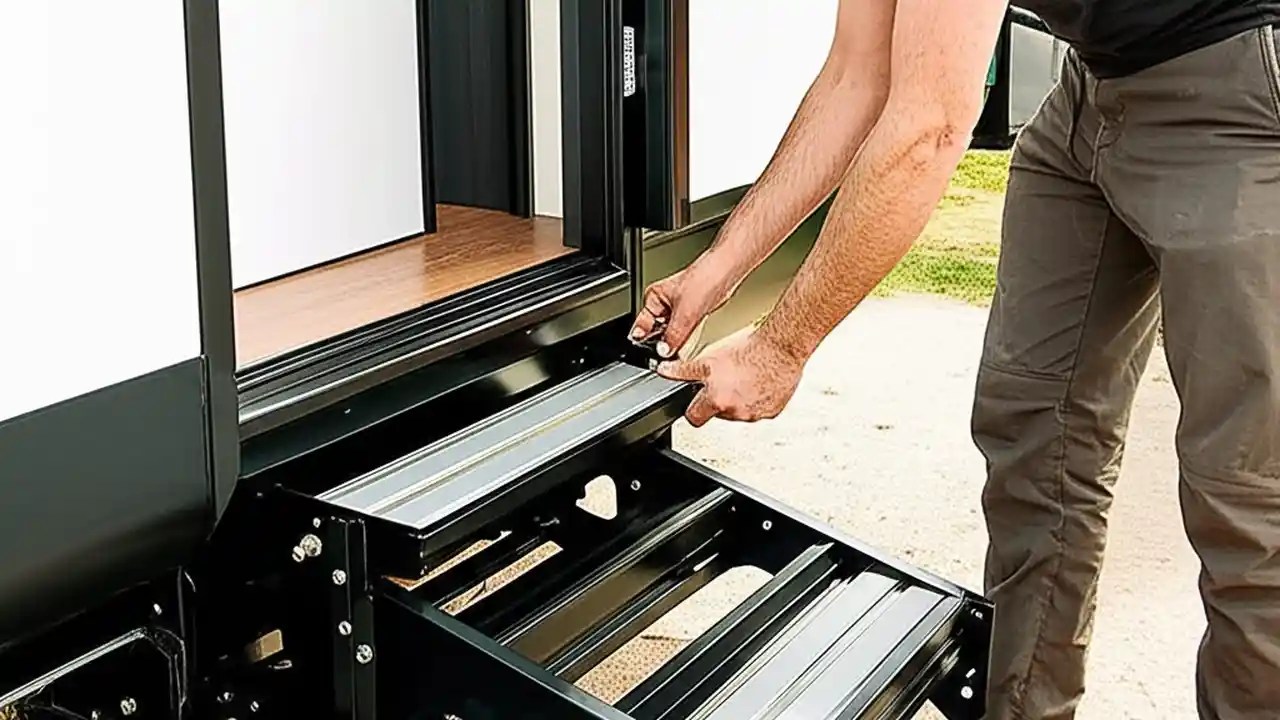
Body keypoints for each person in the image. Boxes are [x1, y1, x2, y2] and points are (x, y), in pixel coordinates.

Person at [628, 0, 1280, 717]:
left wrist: (782, 346)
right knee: (1037, 446)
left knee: (1250, 498)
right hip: (1095, 87)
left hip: (1240, 92)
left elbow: (929, 128)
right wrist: (715, 271)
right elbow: (855, 76)